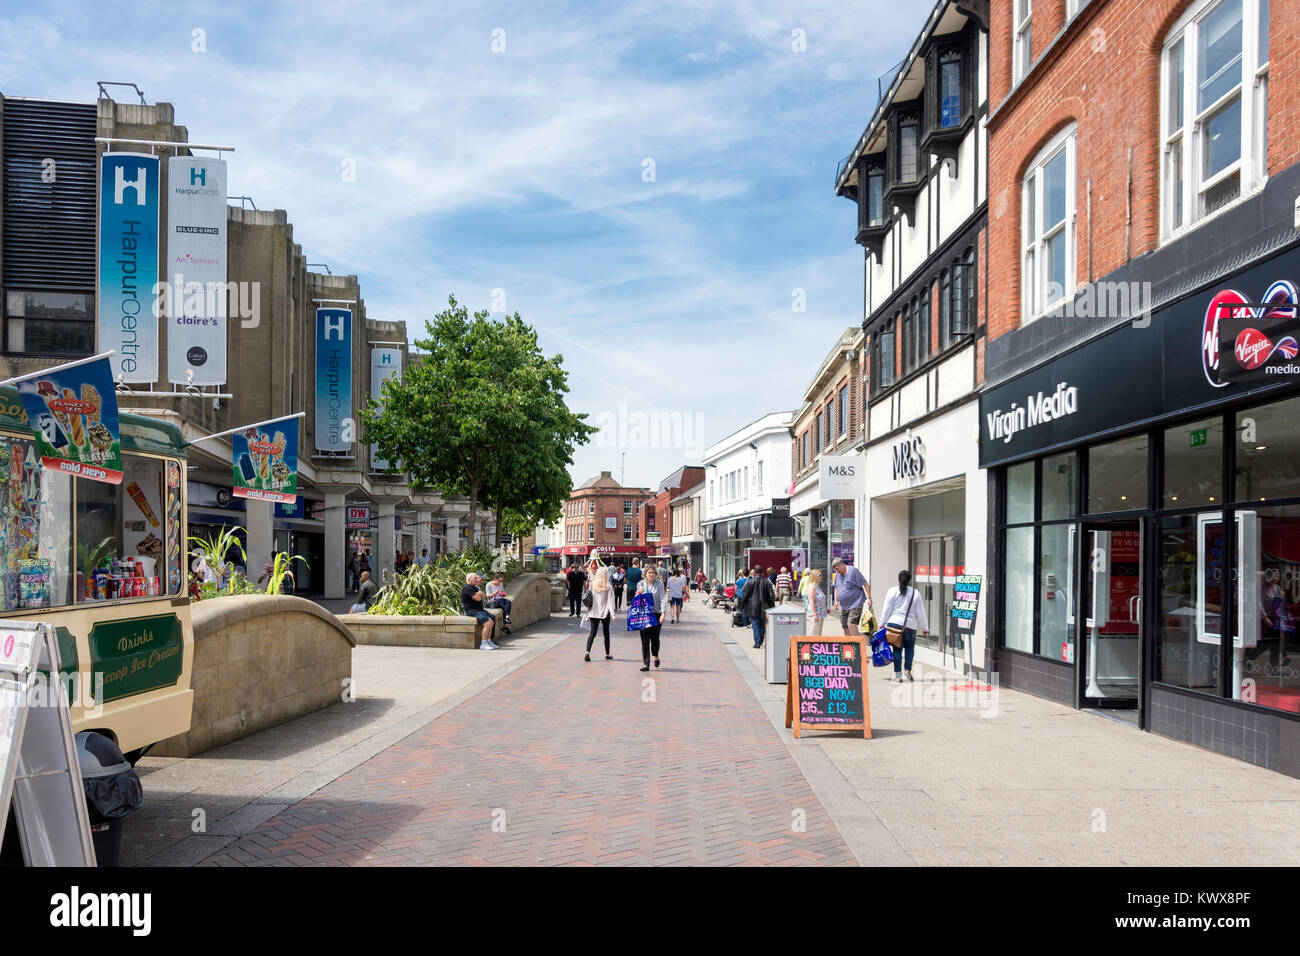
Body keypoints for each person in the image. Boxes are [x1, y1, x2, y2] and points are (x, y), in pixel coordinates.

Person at [880, 569, 928, 682]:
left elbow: (887, 608)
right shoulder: (915, 593)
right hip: (910, 626)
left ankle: (897, 674)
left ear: (899, 579)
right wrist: (925, 627)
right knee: (910, 648)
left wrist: (882, 623)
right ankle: (907, 670)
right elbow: (920, 611)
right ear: (909, 580)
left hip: (894, 624)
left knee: (897, 650)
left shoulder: (892, 591)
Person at [583, 566, 616, 662]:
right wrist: (613, 615)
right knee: (606, 633)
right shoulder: (608, 586)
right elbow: (610, 602)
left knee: (592, 632)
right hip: (604, 612)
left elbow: (589, 599)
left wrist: (588, 613)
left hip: (594, 612)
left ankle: (587, 651)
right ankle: (607, 653)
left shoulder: (593, 585)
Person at [832, 558, 872, 636]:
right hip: (844, 605)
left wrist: (869, 598)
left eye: (837, 569)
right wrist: (836, 601)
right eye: (835, 570)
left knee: (851, 623)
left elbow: (865, 584)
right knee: (844, 625)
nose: (837, 571)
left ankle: (857, 645)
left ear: (841, 565)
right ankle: (848, 645)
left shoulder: (853, 571)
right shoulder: (837, 574)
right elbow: (836, 587)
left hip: (856, 603)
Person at [637, 566, 666, 671]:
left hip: (656, 613)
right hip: (644, 614)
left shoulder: (659, 584)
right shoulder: (641, 584)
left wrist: (663, 613)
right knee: (644, 639)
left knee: (655, 639)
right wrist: (639, 592)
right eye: (649, 573)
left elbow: (663, 598)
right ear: (645, 574)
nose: (651, 574)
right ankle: (646, 663)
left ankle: (656, 655)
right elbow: (636, 599)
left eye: (653, 573)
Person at [462, 572, 499, 650]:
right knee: (487, 623)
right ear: (469, 579)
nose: (477, 580)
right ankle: (483, 643)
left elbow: (484, 596)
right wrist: (480, 594)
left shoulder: (474, 587)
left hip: (479, 610)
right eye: (475, 578)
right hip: (472, 610)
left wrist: (480, 594)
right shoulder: (467, 587)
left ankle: (488, 641)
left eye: (477, 578)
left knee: (491, 621)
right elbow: (478, 598)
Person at [742, 565, 776, 649]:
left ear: (755, 572)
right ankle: (760, 640)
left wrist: (742, 605)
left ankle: (757, 642)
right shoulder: (767, 582)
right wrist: (772, 606)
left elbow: (745, 595)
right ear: (762, 572)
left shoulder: (750, 582)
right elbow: (772, 596)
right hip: (765, 606)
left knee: (755, 625)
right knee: (762, 624)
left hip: (753, 607)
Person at [804, 568, 828, 636]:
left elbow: (820, 599)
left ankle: (817, 645)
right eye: (820, 575)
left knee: (818, 634)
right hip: (816, 613)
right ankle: (811, 646)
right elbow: (811, 601)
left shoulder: (817, 586)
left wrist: (825, 608)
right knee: (814, 633)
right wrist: (815, 614)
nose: (821, 577)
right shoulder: (812, 587)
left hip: (820, 612)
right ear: (815, 576)